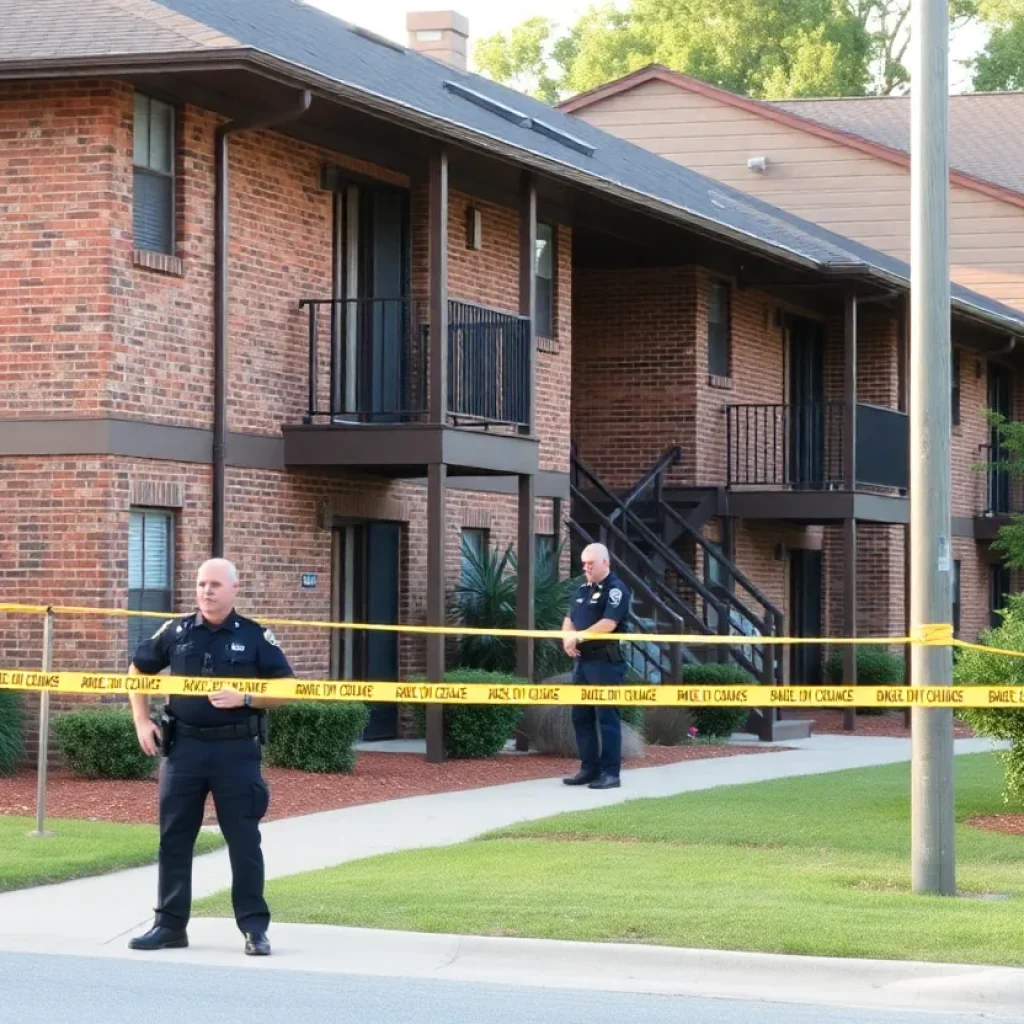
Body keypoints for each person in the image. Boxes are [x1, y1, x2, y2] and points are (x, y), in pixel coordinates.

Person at [125, 558, 293, 957]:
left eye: (215, 584)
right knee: (174, 839)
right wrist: (141, 720)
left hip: (236, 752)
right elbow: (138, 669)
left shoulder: (255, 636)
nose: (206, 591)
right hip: (183, 750)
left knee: (244, 841)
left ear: (234, 589)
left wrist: (247, 697)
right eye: (201, 584)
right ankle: (169, 925)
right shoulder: (177, 630)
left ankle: (254, 928)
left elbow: (288, 687)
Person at [561, 543, 632, 790]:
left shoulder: (616, 590)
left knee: (607, 718)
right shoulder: (581, 590)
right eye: (584, 563)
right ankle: (588, 768)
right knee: (581, 717)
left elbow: (608, 624)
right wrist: (567, 639)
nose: (586, 568)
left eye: (591, 563)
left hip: (604, 662)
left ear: (605, 563)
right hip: (582, 662)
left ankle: (611, 773)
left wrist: (578, 638)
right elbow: (569, 619)